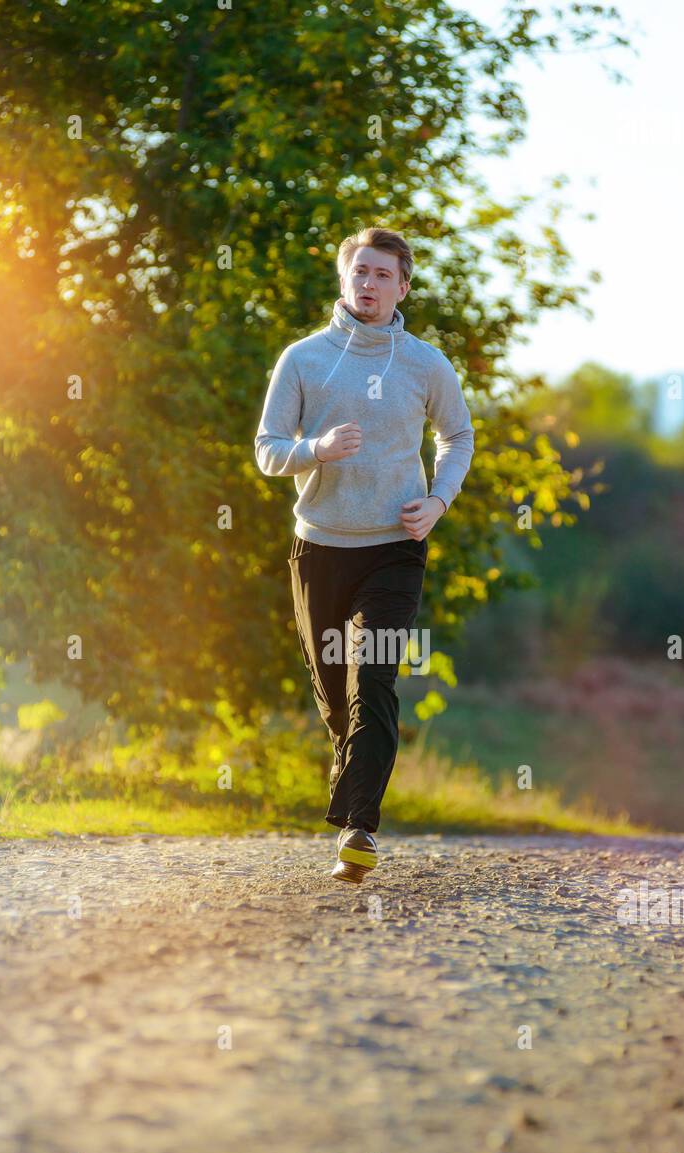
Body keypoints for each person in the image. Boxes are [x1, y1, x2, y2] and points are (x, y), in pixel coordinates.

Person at [254, 226, 474, 881]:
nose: (369, 284)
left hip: (393, 552)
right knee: (333, 698)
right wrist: (314, 450)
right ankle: (350, 783)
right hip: (318, 550)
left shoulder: (425, 364)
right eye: (360, 272)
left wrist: (436, 502)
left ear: (403, 286)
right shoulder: (303, 359)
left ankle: (358, 830)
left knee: (370, 682)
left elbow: (457, 436)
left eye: (382, 274)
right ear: (344, 281)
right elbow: (268, 450)